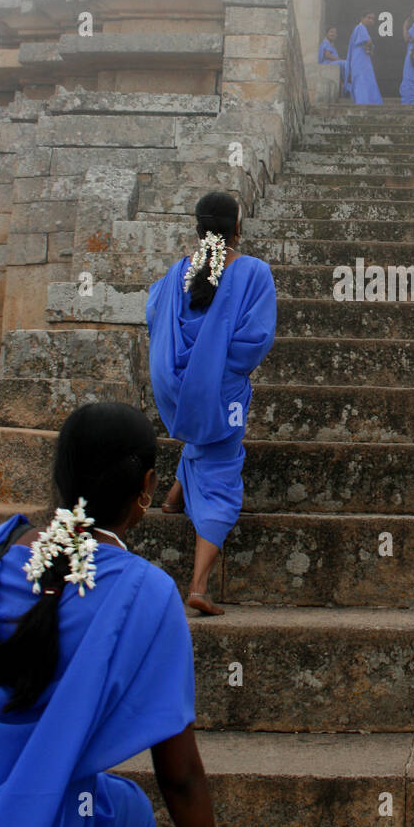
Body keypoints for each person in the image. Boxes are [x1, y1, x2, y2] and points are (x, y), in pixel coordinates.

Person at [0, 402, 235, 827]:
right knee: (116, 814)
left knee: (122, 809)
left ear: (57, 474)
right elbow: (178, 774)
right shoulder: (146, 596)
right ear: (147, 487)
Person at [147, 191, 277, 616]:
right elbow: (255, 342)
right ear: (237, 228)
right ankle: (200, 585)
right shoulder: (254, 272)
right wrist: (217, 366)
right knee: (223, 464)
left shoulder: (174, 274)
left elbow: (153, 316)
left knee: (202, 419)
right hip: (219, 391)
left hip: (172, 386)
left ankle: (174, 495)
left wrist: (193, 369)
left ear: (198, 229)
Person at [346, 9, 382, 105]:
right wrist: (370, 48)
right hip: (360, 58)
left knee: (363, 79)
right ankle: (364, 102)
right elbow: (368, 41)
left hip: (360, 57)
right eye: (368, 18)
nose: (371, 20)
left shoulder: (360, 28)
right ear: (362, 18)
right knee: (363, 79)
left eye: (373, 19)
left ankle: (364, 101)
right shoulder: (361, 28)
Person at [318, 25, 348, 93]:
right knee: (345, 63)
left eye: (335, 33)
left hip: (331, 63)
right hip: (326, 63)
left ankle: (343, 83)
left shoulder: (331, 44)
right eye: (331, 32)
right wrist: (339, 60)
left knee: (344, 64)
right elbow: (327, 55)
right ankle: (344, 82)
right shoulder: (326, 42)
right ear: (326, 34)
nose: (333, 34)